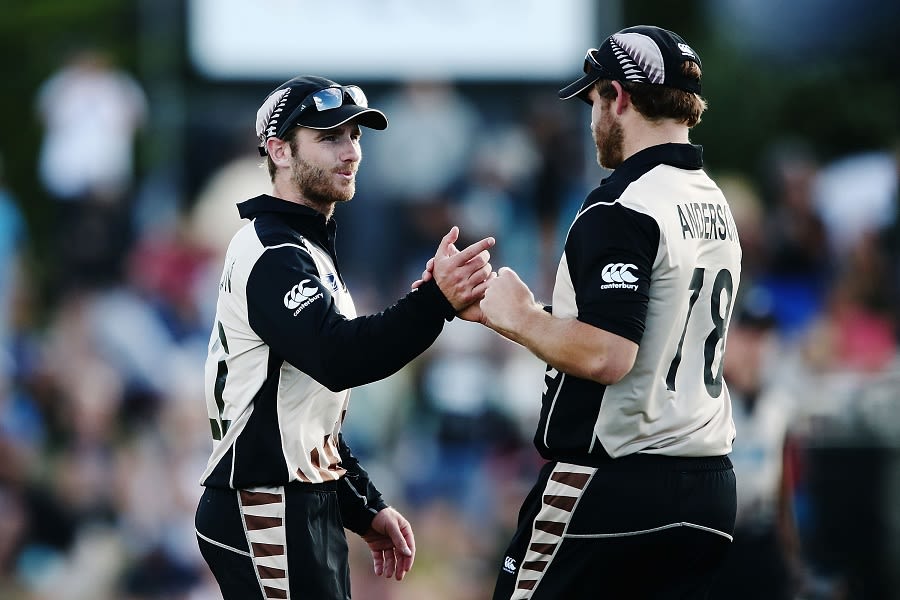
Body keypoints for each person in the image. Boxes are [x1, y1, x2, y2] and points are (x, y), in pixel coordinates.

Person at [193, 75, 495, 600]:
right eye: (330, 136)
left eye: (356, 137)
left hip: (298, 498)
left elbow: (306, 417)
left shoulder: (304, 250)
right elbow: (339, 356)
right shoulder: (272, 252)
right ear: (279, 150)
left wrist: (363, 504)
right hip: (263, 501)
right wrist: (433, 302)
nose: (351, 151)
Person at [479, 26, 742, 598]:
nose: (592, 117)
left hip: (616, 481)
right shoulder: (711, 198)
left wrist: (519, 316)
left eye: (595, 99)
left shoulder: (623, 203)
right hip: (710, 487)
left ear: (619, 96)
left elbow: (607, 353)